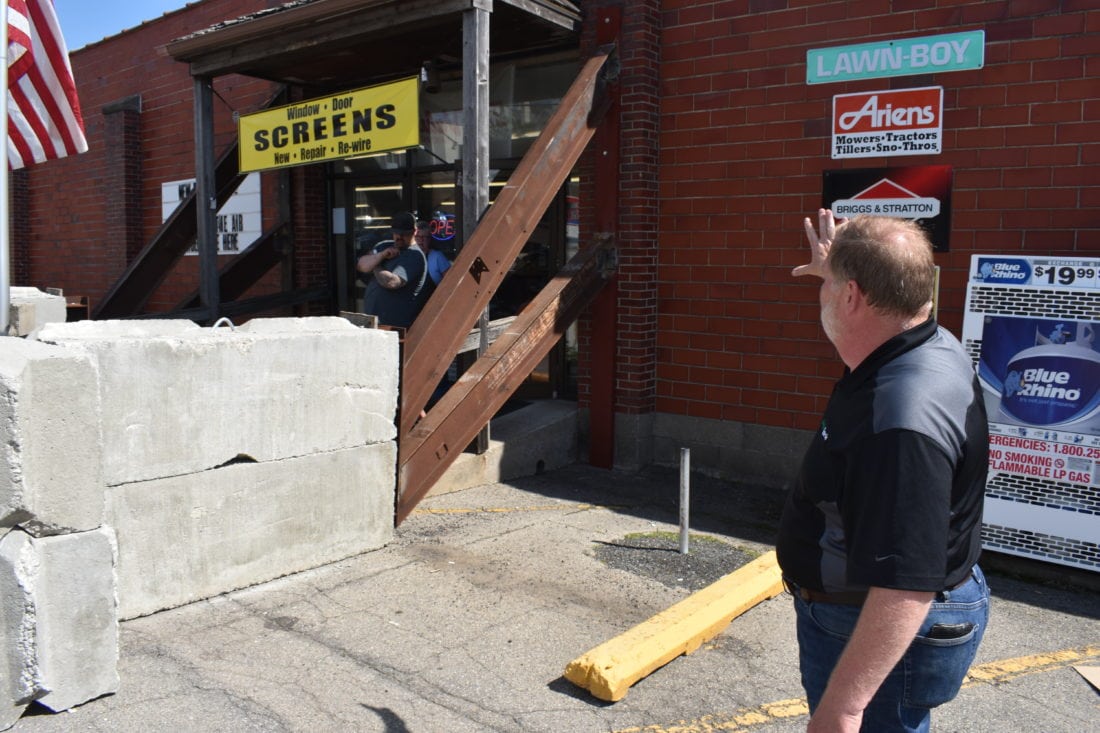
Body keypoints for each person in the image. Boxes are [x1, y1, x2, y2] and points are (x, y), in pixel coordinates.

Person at [776, 209, 991, 733]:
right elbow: (861, 325)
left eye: (830, 287)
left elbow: (905, 585)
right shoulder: (915, 341)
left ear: (852, 297)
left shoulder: (899, 421)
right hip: (869, 611)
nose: (822, 294)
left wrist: (844, 709)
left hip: (871, 623)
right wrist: (837, 270)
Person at [357, 211, 427, 330]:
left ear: (414, 231)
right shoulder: (385, 246)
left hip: (394, 325)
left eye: (404, 234)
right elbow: (362, 265)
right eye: (396, 233)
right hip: (372, 321)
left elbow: (391, 282)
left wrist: (376, 264)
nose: (399, 237)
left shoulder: (415, 256)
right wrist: (381, 255)